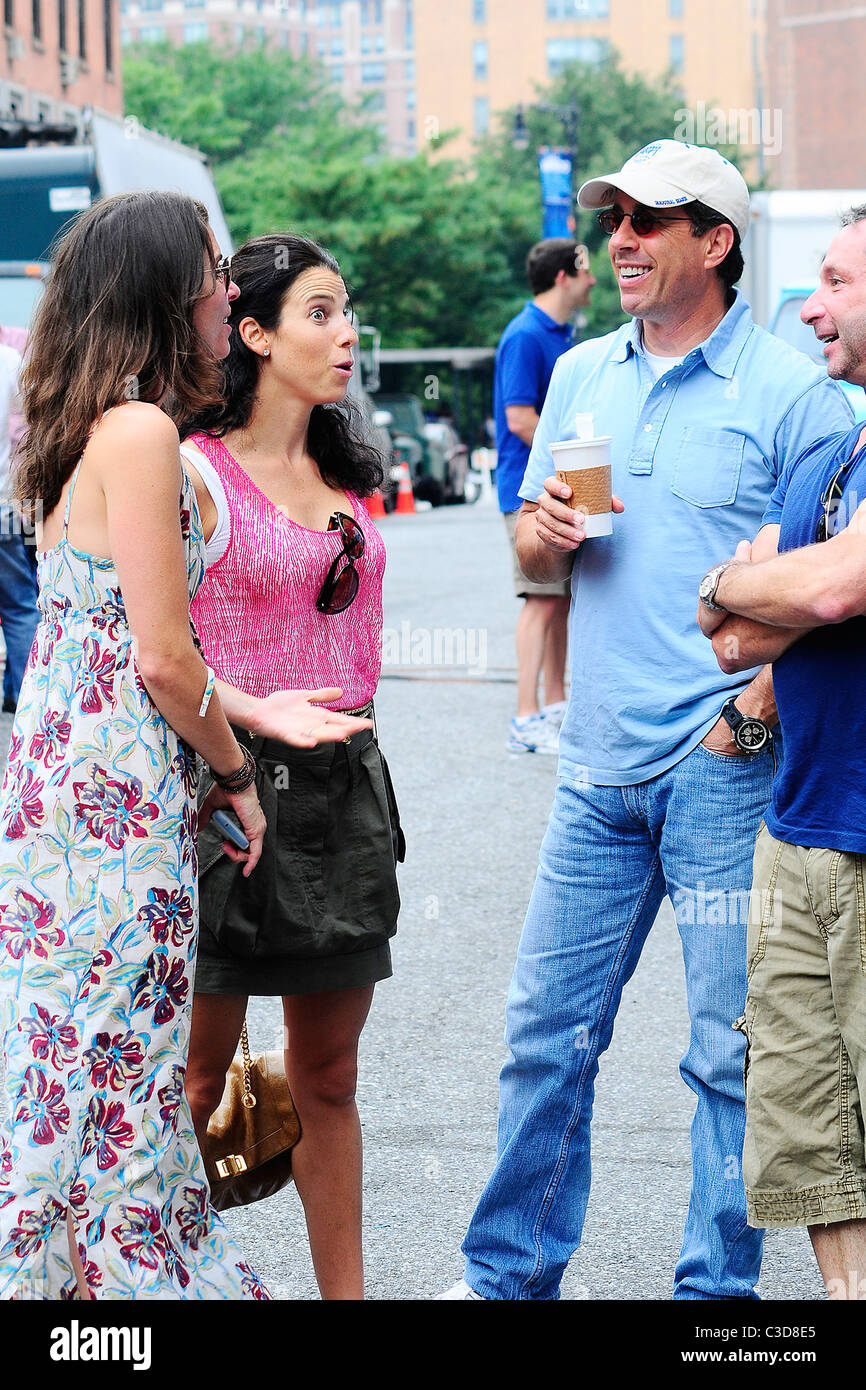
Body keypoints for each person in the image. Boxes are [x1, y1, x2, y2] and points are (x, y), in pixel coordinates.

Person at [439, 140, 854, 1301]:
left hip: (721, 770)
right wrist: (545, 535)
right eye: (610, 216)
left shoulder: (791, 393)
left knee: (729, 1058)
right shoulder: (582, 375)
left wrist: (747, 715)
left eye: (647, 219)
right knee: (544, 1038)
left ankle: (713, 1299)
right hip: (595, 764)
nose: (617, 237)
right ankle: (506, 1278)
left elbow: (829, 586)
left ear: (712, 242)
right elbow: (533, 547)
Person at [0, 192, 363, 1301]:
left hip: (69, 792)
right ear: (167, 291)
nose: (225, 289)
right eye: (210, 270)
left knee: (72, 1064)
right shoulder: (145, 431)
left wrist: (194, 763)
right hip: (111, 813)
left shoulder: (79, 427)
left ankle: (64, 1290)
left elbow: (99, 648)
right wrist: (235, 771)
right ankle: (120, 1294)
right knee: (120, 1063)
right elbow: (163, 657)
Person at [179, 233, 403, 1302]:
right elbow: (157, 652)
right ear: (254, 332)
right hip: (223, 789)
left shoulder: (351, 473)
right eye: (319, 311)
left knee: (327, 1074)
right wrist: (232, 746)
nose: (345, 329)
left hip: (343, 787)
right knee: (191, 1075)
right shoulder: (190, 470)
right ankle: (145, 1281)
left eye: (346, 308)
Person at [697, 206, 866, 1300]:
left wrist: (743, 578)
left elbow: (826, 587)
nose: (809, 305)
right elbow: (738, 639)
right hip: (792, 828)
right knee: (807, 1142)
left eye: (837, 282)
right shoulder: (830, 444)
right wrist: (746, 589)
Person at [493, 238, 595, 754]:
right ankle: (524, 717)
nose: (595, 279)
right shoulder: (526, 335)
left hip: (559, 488)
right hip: (526, 490)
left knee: (560, 600)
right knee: (539, 600)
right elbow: (519, 418)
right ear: (563, 276)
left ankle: (554, 707)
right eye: (586, 270)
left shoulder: (562, 334)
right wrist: (577, 459)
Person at [0, 334, 39, 713]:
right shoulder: (10, 359)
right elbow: (30, 417)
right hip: (6, 509)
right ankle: (23, 695)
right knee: (19, 606)